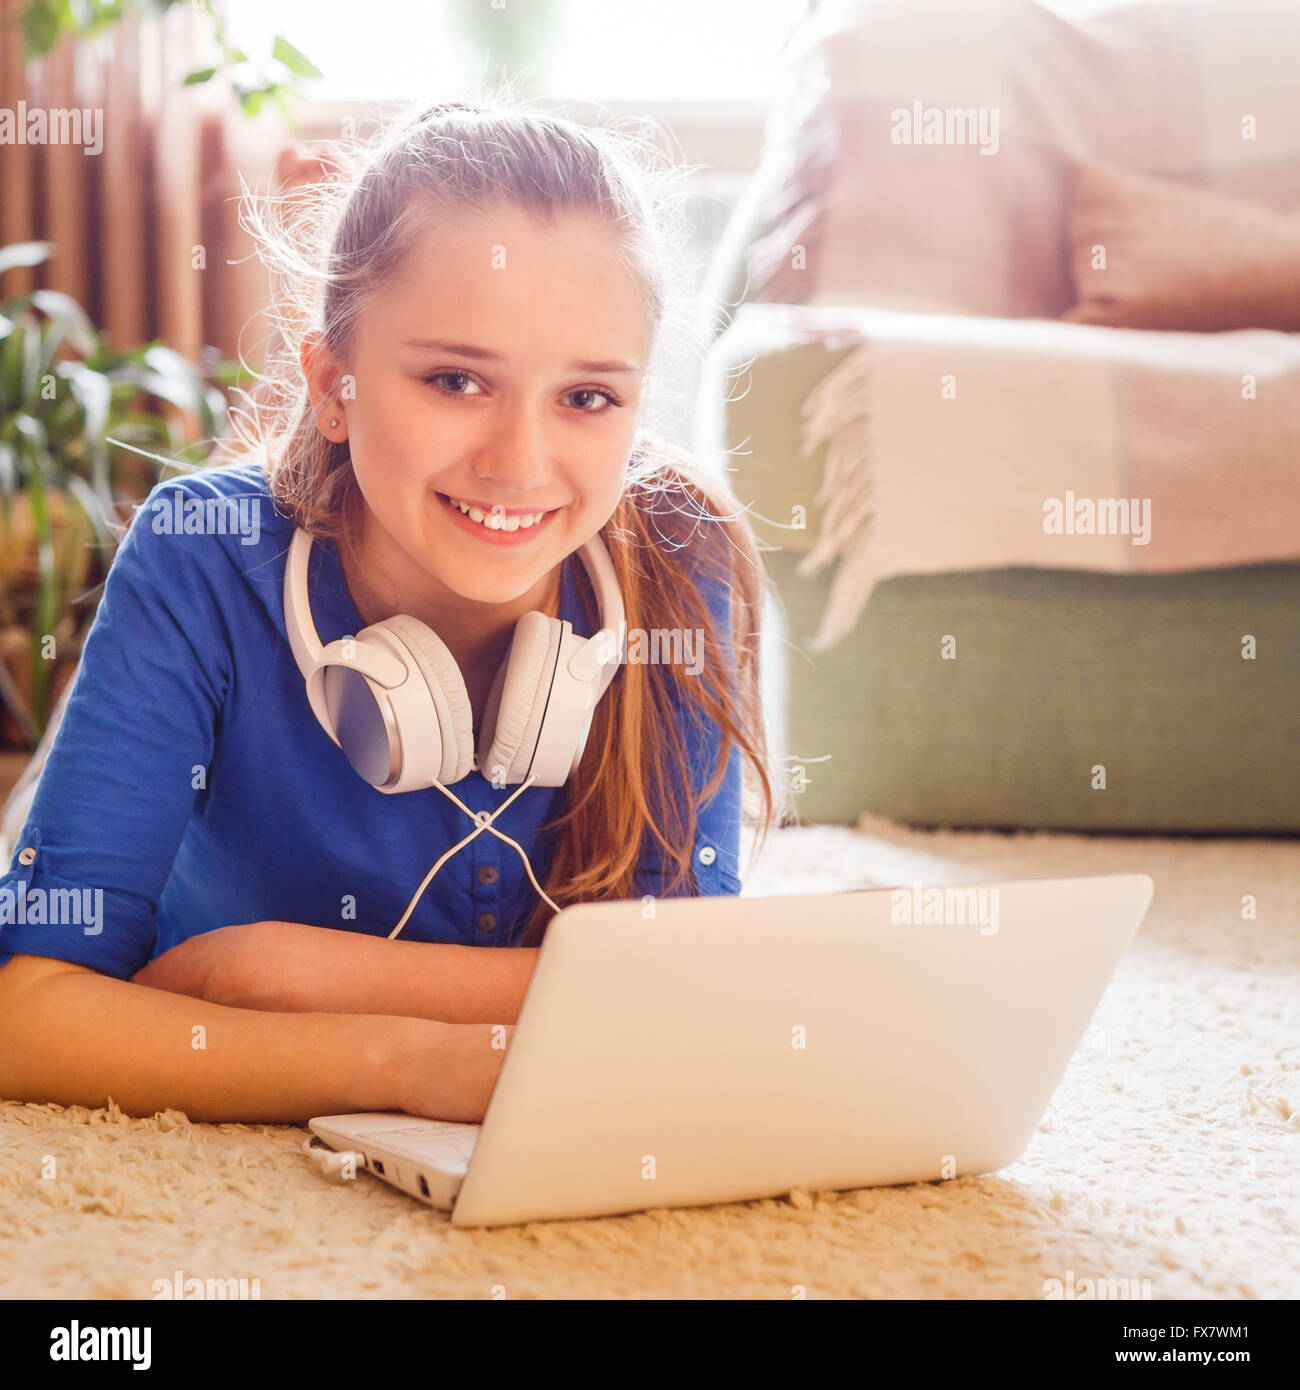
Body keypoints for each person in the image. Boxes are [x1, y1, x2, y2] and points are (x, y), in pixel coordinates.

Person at [0, 98, 777, 1125]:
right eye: (456, 380)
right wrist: (405, 1066)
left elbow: (683, 989)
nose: (519, 463)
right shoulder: (203, 556)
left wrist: (282, 970)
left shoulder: (678, 551)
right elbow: (30, 1012)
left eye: (586, 398)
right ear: (333, 385)